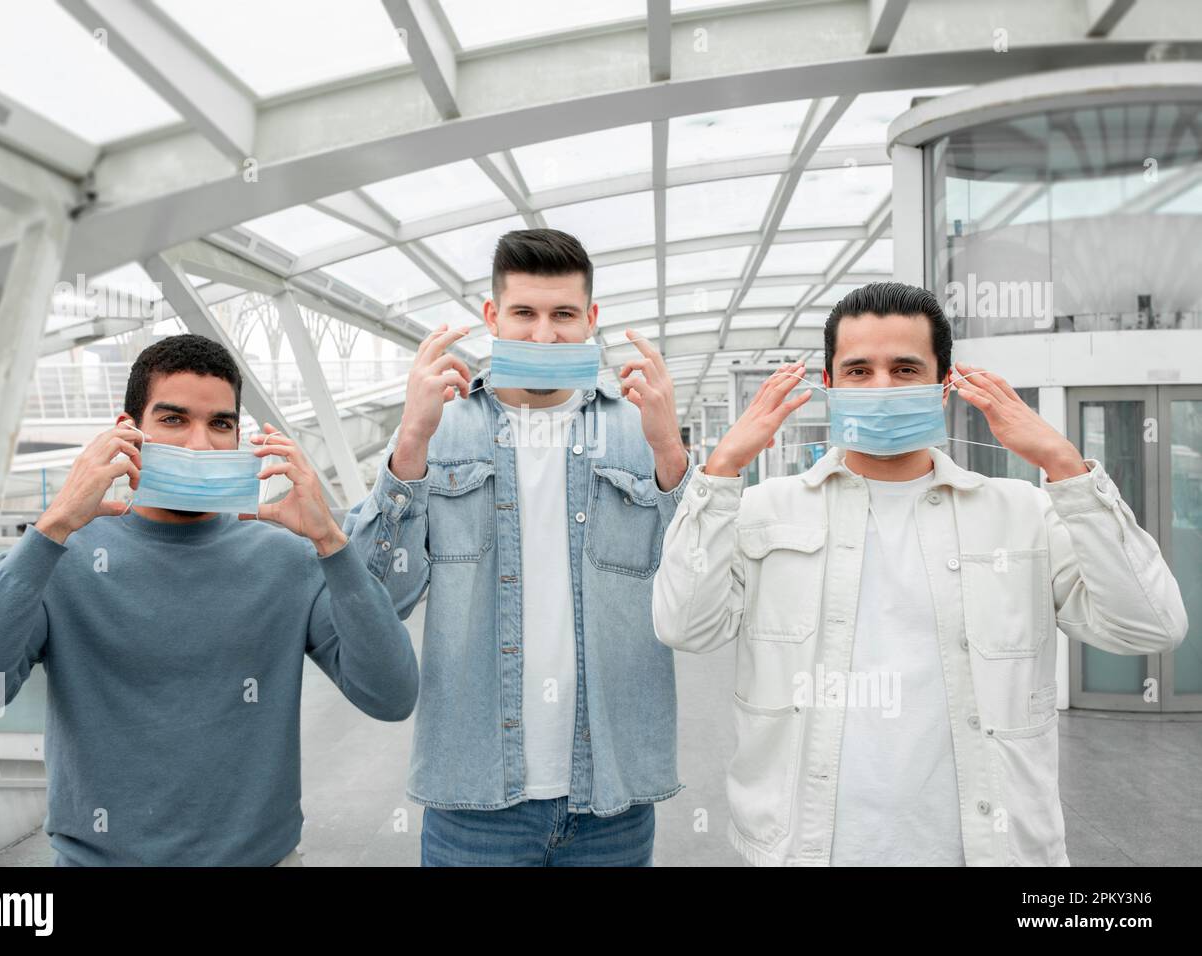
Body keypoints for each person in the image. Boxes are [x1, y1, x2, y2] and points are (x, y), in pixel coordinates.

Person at [652, 281, 1187, 866]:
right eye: (859, 371)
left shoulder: (1023, 513)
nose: (881, 387)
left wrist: (1065, 466)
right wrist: (722, 470)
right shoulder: (762, 512)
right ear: (828, 384)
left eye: (905, 369)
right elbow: (683, 625)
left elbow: (1151, 627)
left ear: (944, 384)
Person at [0, 334, 419, 866]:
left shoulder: (288, 559)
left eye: (220, 424)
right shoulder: (61, 558)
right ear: (127, 432)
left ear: (239, 438)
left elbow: (390, 696)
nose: (199, 445)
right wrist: (54, 525)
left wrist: (332, 545)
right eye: (174, 420)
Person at [344, 228, 694, 866]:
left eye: (563, 316)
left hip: (609, 804)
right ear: (492, 318)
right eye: (524, 314)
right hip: (474, 803)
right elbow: (376, 597)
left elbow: (699, 593)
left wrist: (671, 453)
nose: (542, 335)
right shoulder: (439, 431)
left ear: (591, 320)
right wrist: (411, 440)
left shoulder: (639, 432)